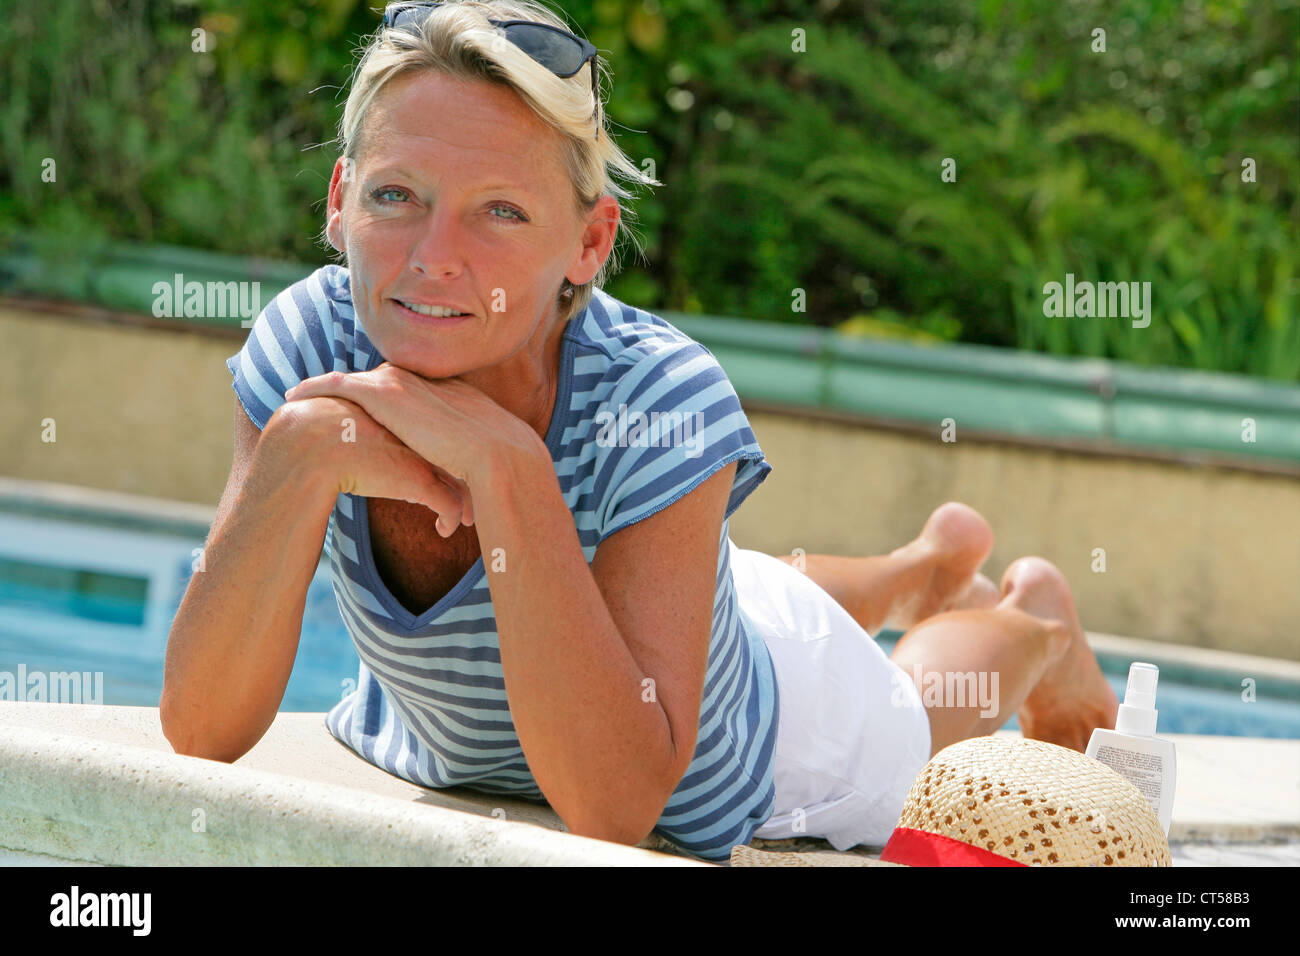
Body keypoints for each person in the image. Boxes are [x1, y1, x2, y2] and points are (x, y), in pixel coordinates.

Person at [161, 0, 1117, 863]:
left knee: (912, 710)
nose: (433, 258)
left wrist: (508, 467)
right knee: (749, 585)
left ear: (588, 242)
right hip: (693, 597)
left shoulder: (659, 398)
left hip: (772, 729)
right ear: (339, 200)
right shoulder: (313, 343)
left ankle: (1034, 622)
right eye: (394, 196)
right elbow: (201, 727)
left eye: (499, 210)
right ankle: (921, 566)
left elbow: (613, 809)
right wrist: (297, 451)